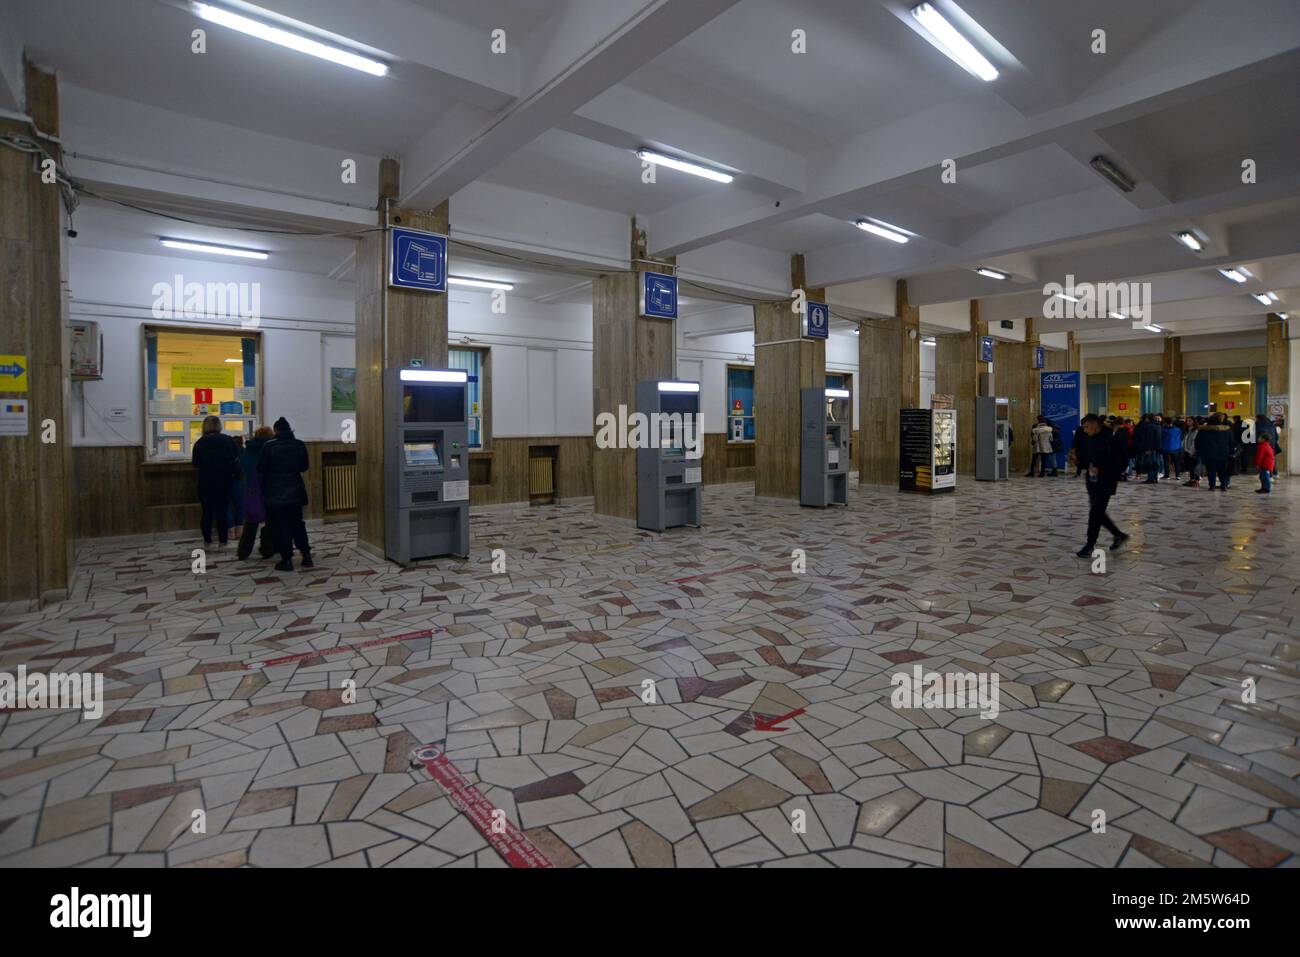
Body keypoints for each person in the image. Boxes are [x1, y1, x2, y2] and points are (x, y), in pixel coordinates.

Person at [259, 417, 313, 571]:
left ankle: (287, 559)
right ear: (290, 429)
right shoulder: (299, 445)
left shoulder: (269, 446)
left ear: (276, 430)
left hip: (276, 492)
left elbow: (261, 467)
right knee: (298, 524)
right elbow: (304, 467)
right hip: (295, 490)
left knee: (281, 526)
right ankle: (306, 556)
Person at [1073, 414, 1129, 557]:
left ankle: (1090, 545)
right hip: (1092, 480)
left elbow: (1120, 461)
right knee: (1097, 511)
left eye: (1086, 427)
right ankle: (1118, 535)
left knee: (1095, 513)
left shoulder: (1110, 438)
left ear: (1095, 424)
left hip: (1106, 480)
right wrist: (1078, 461)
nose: (1084, 430)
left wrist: (1101, 467)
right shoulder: (1090, 438)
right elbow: (1089, 457)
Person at [191, 415, 239, 548]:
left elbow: (196, 463)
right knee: (222, 511)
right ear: (219, 426)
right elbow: (236, 458)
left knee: (206, 512)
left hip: (205, 482)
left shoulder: (200, 443)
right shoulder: (228, 440)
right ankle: (223, 541)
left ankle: (207, 540)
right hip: (224, 481)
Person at [237, 426, 276, 560]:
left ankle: (243, 551)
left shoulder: (247, 451)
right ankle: (267, 549)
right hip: (268, 488)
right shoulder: (270, 450)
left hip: (251, 489)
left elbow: (243, 467)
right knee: (270, 521)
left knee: (251, 522)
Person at [1196, 412, 1235, 490]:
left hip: (1208, 453)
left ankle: (1212, 486)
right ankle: (1223, 485)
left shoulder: (1204, 430)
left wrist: (1199, 451)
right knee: (1222, 470)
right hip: (1223, 453)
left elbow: (1197, 442)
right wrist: (1231, 452)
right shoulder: (1226, 430)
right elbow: (1231, 442)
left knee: (1211, 470)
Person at [1134, 413, 1162, 484]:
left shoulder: (1149, 426)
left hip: (1150, 448)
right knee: (1155, 463)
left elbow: (1149, 439)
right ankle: (1155, 478)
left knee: (1150, 463)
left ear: (1148, 418)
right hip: (1157, 448)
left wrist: (1148, 449)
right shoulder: (1158, 426)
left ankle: (1151, 478)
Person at [1255, 429, 1275, 493]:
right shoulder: (1266, 445)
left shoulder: (1263, 446)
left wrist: (1257, 464)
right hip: (1266, 464)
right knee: (1262, 477)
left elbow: (1259, 456)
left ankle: (1267, 489)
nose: (1258, 438)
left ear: (1263, 439)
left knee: (1265, 477)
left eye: (1260, 438)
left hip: (1266, 464)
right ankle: (1263, 488)